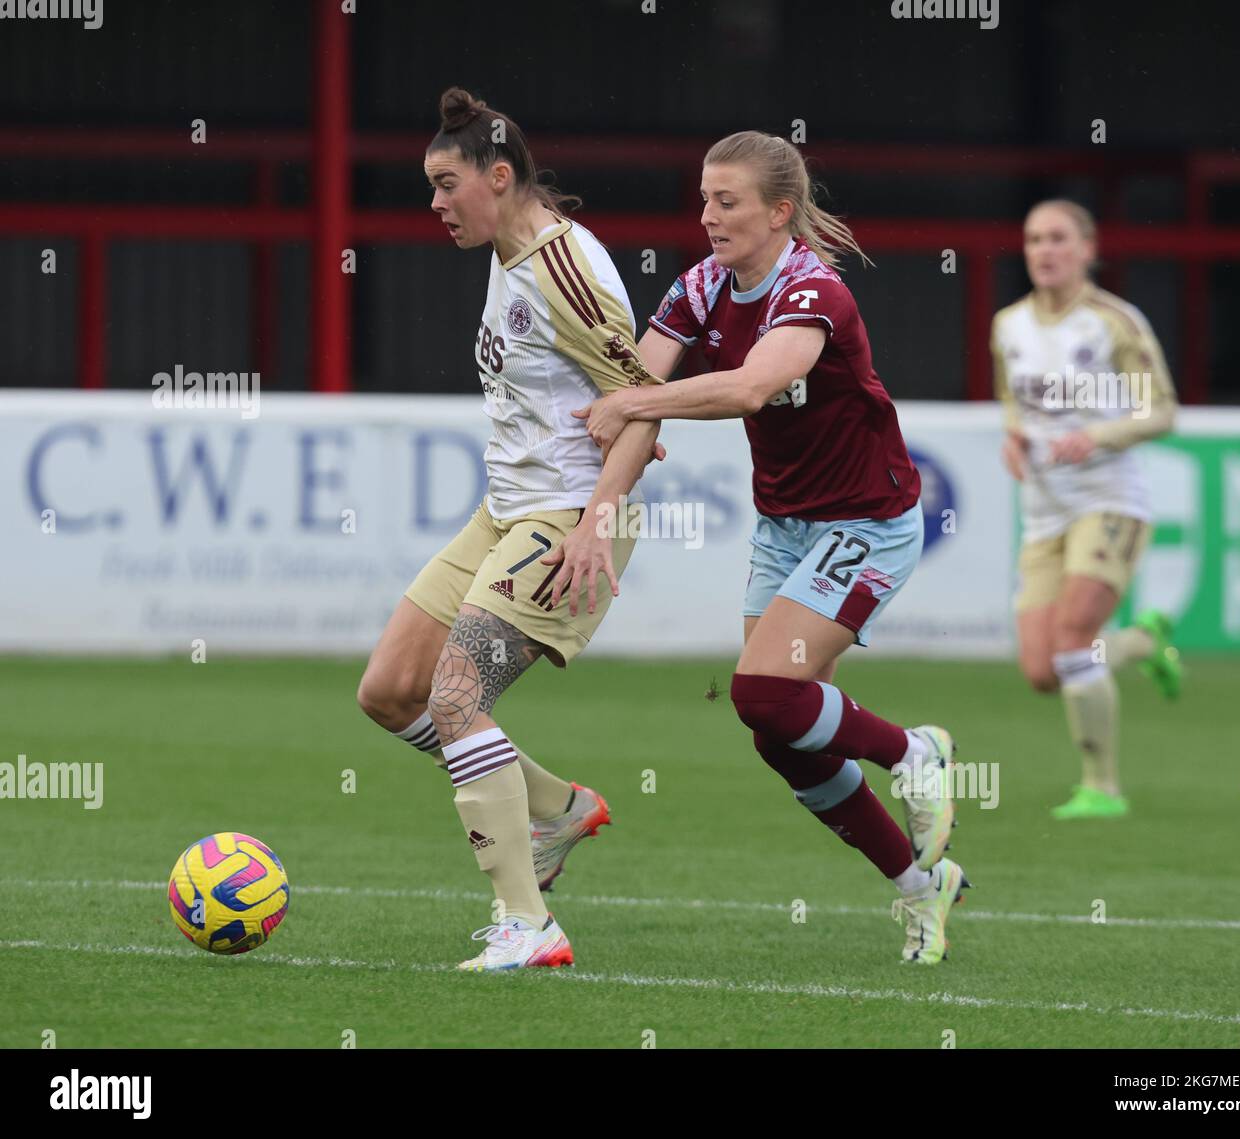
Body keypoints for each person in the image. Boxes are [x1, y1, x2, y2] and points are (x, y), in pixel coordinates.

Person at [577, 130, 968, 965]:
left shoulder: (812, 289)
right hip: (786, 522)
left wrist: (639, 402)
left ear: (779, 211)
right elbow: (639, 404)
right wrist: (599, 509)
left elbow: (747, 386)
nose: (708, 215)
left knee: (760, 690)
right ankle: (920, 888)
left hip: (866, 520)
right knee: (781, 732)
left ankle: (916, 750)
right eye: (705, 199)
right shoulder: (700, 285)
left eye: (728, 201)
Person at [356, 87, 663, 971]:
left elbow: (642, 409)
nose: (436, 204)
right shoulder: (507, 246)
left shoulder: (563, 270)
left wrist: (596, 525)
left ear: (499, 175)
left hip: (569, 516)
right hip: (505, 513)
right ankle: (559, 808)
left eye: (448, 184)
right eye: (430, 186)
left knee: (456, 698)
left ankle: (530, 925)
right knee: (390, 689)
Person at [992, 198, 1182, 820]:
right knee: (1043, 670)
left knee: (1074, 640)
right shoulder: (1009, 325)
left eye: (1056, 239)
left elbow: (1162, 410)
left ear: (1087, 250)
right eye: (1033, 240)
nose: (1043, 250)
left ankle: (1102, 788)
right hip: (1044, 508)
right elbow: (1013, 402)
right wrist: (1013, 437)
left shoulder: (1114, 322)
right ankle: (1140, 644)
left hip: (1110, 498)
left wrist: (1097, 437)